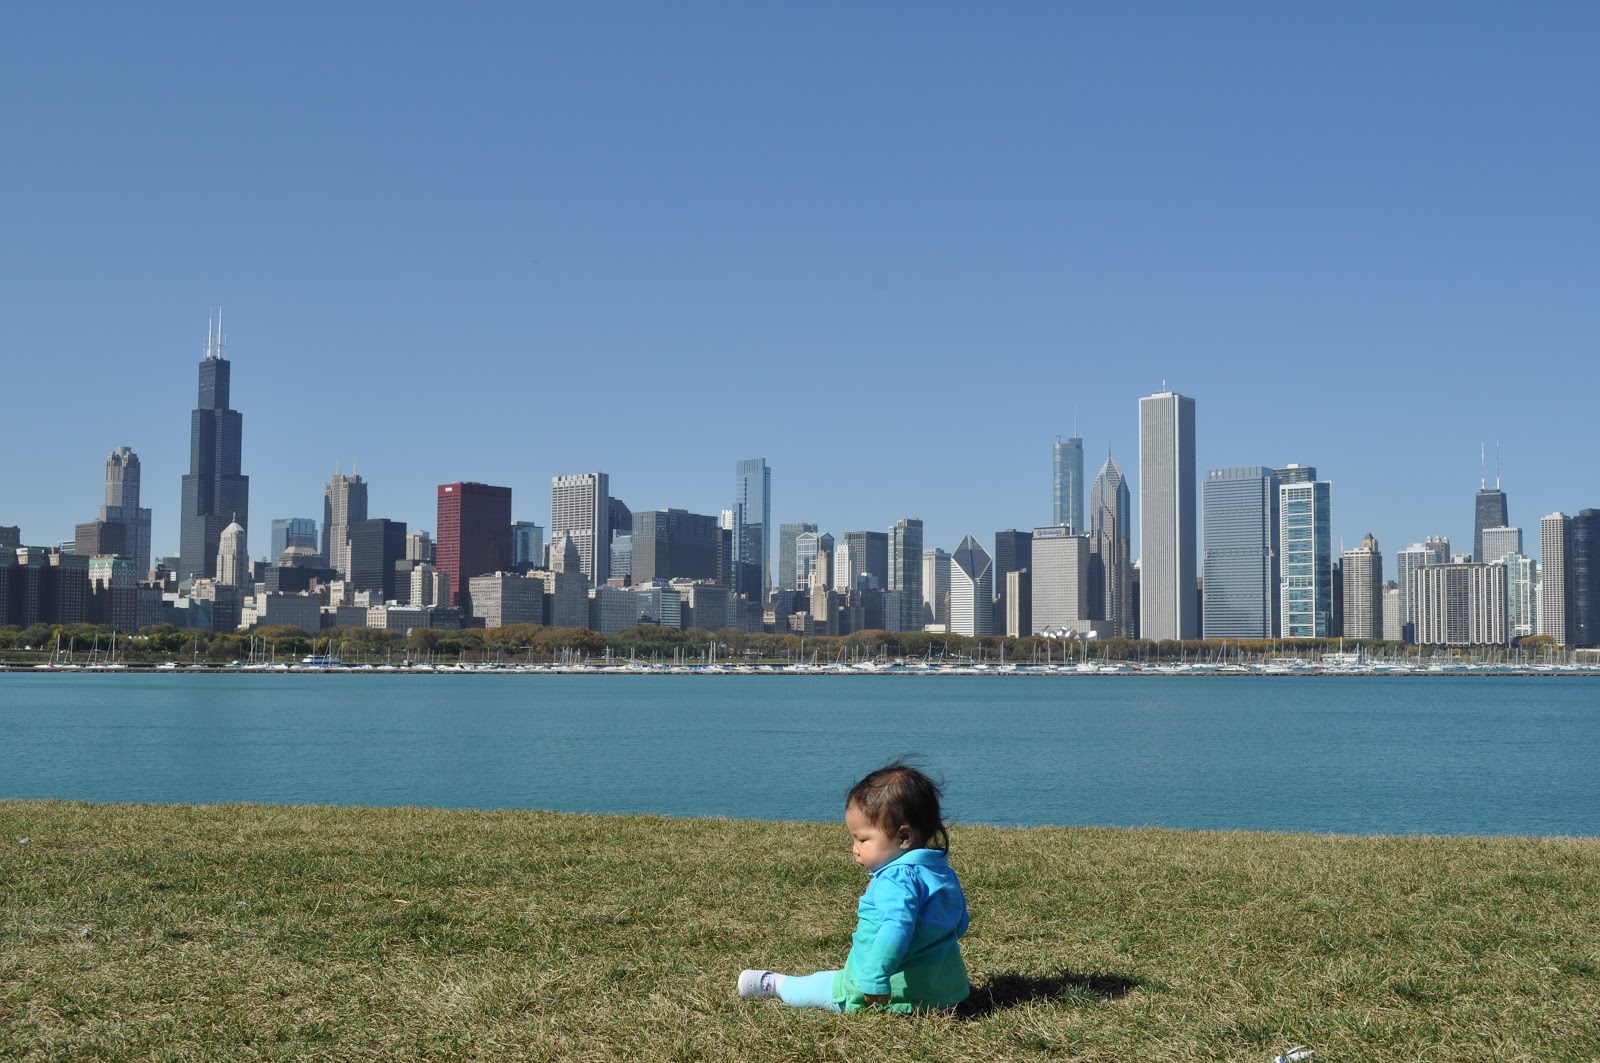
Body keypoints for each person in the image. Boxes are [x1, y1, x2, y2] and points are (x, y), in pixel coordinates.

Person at [738, 761, 970, 1014]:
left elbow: (896, 928)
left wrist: (875, 979)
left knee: (817, 985)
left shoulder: (896, 879)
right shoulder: (941, 871)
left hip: (889, 996)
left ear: (903, 837)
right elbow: (959, 923)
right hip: (945, 994)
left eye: (863, 839)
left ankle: (774, 984)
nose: (855, 848)